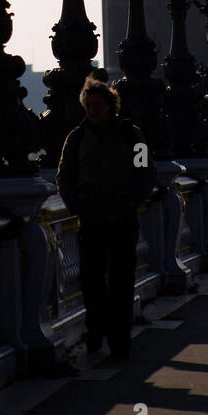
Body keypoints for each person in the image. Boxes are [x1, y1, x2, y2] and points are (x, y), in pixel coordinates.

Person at [56, 77, 153, 358]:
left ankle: (120, 339)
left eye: (97, 105)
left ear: (110, 105)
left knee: (122, 281)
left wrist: (134, 201)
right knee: (92, 282)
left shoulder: (130, 134)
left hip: (122, 219)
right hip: (92, 220)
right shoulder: (76, 139)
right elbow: (64, 178)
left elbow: (145, 170)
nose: (93, 110)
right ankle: (96, 332)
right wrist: (77, 207)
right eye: (88, 105)